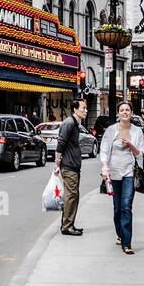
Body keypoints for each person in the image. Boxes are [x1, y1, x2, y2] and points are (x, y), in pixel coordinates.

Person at [100, 101, 144, 254]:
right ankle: (120, 233)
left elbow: (142, 154)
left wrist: (131, 145)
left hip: (129, 172)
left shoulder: (137, 131)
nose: (125, 112)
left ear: (131, 112)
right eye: (122, 110)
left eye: (127, 110)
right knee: (117, 208)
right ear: (118, 113)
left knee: (126, 206)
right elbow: (104, 150)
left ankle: (127, 243)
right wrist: (105, 167)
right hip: (113, 172)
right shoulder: (111, 130)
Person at [53, 100, 88, 236]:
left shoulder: (75, 124)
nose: (85, 110)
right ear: (75, 110)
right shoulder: (69, 123)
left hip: (73, 165)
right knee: (71, 196)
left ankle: (69, 224)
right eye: (83, 108)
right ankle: (67, 226)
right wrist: (57, 163)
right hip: (68, 166)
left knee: (74, 196)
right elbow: (60, 143)